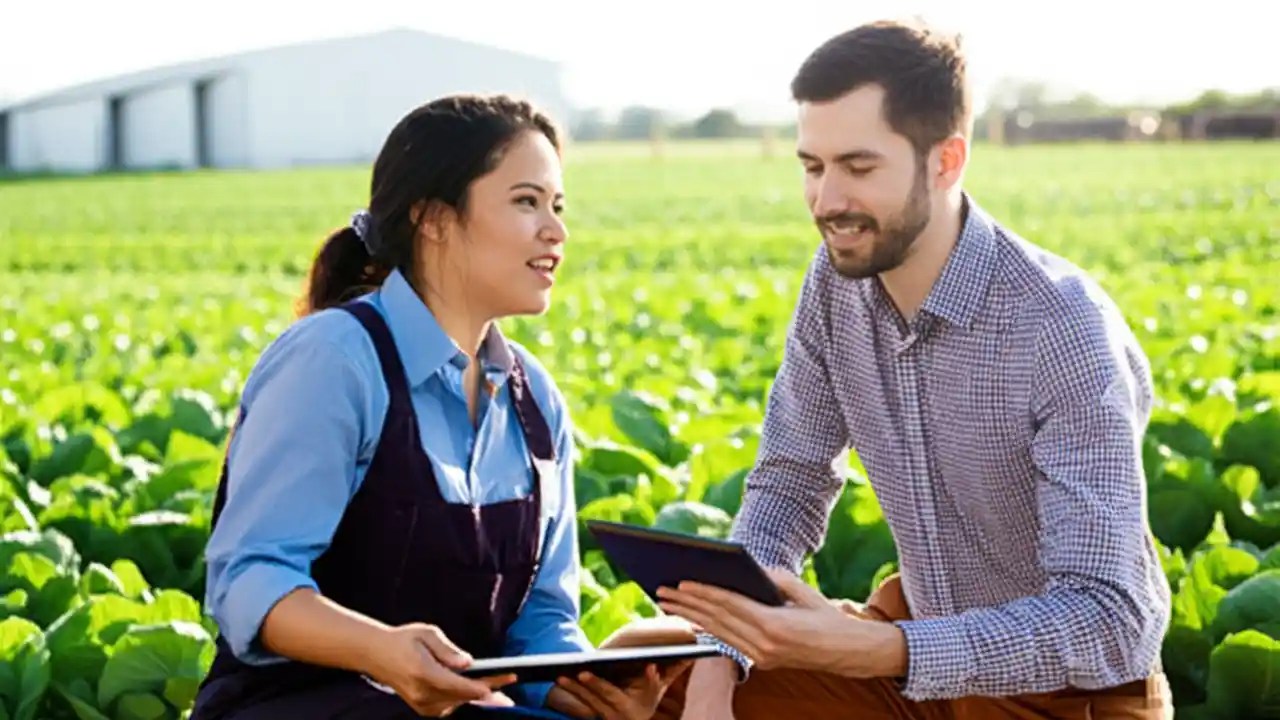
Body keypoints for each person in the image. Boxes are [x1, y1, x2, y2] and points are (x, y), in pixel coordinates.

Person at [652, 19, 1174, 720]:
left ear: (946, 160)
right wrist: (719, 670)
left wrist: (879, 649)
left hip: (1066, 695)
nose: (827, 201)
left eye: (859, 168)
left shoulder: (1062, 327)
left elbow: (1108, 620)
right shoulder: (837, 286)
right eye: (813, 166)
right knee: (648, 682)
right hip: (914, 668)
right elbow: (789, 483)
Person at [189, 94, 688, 720]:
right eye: (526, 202)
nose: (556, 231)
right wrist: (380, 650)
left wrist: (585, 694)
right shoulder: (335, 360)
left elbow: (543, 620)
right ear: (432, 218)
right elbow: (249, 582)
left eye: (557, 206)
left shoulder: (537, 403)